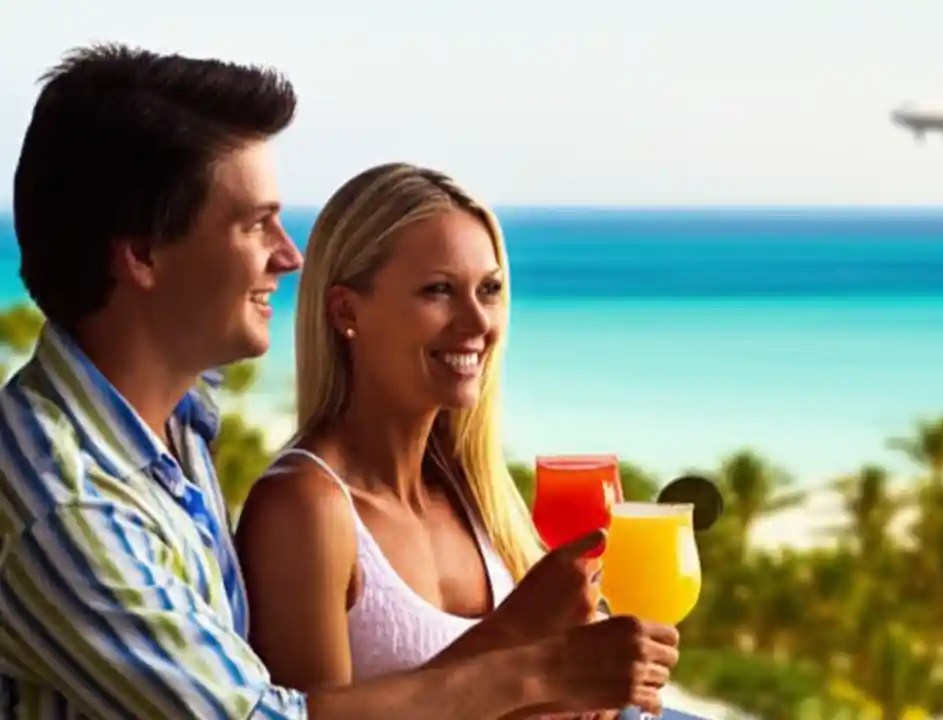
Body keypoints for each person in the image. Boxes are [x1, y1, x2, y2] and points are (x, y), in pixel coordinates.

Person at [0, 43, 678, 719]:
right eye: (256, 224)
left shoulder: (173, 432)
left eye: (491, 289)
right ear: (143, 255)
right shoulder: (70, 502)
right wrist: (539, 666)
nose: (290, 256)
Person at [232, 161, 662, 717]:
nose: (477, 322)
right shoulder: (304, 508)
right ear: (345, 311)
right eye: (438, 291)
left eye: (489, 290)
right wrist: (519, 635)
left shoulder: (475, 492)